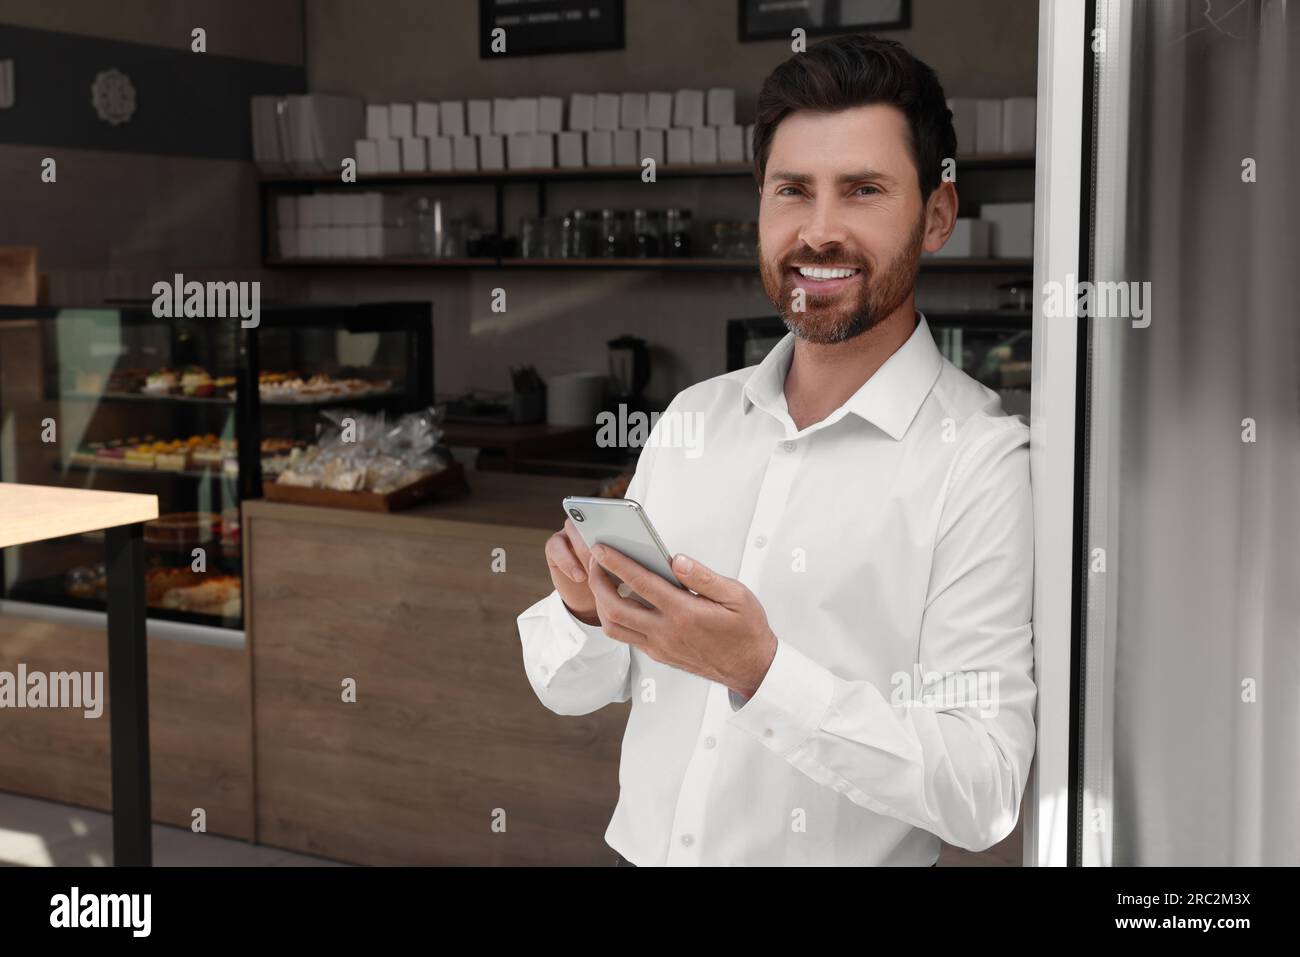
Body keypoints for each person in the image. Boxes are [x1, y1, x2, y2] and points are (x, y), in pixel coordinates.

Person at [517, 33, 1036, 867]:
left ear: (937, 215)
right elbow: (569, 687)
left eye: (863, 190)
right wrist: (584, 609)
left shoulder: (980, 461)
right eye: (793, 190)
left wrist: (762, 673)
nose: (819, 232)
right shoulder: (694, 417)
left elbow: (983, 788)